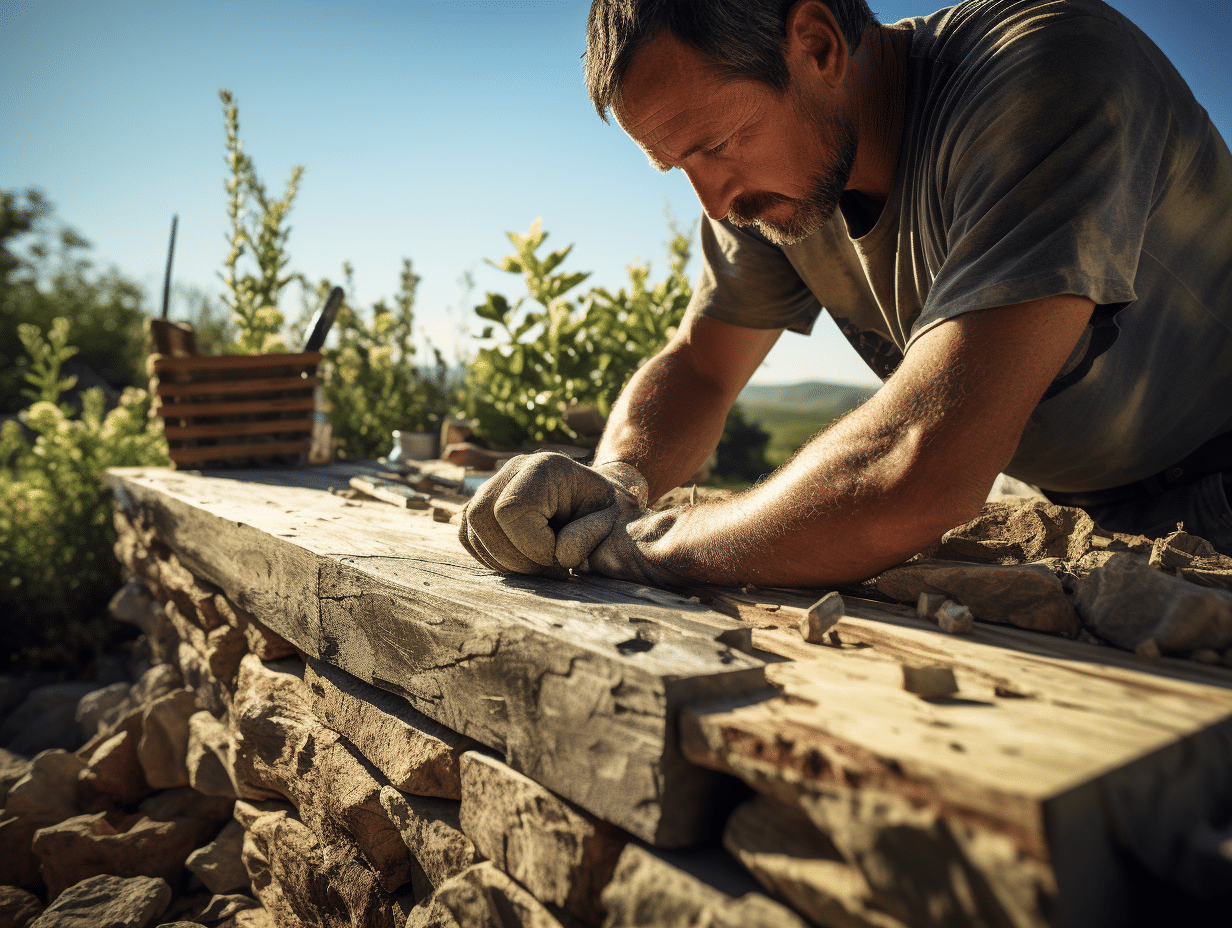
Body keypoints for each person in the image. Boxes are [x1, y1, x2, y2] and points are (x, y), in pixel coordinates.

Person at [459, 0, 1232, 586]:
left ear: (818, 45)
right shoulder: (769, 189)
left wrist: (656, 545)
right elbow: (701, 366)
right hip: (1055, 508)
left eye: (718, 146)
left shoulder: (1049, 73)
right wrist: (616, 484)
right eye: (678, 166)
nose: (714, 203)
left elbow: (921, 462)